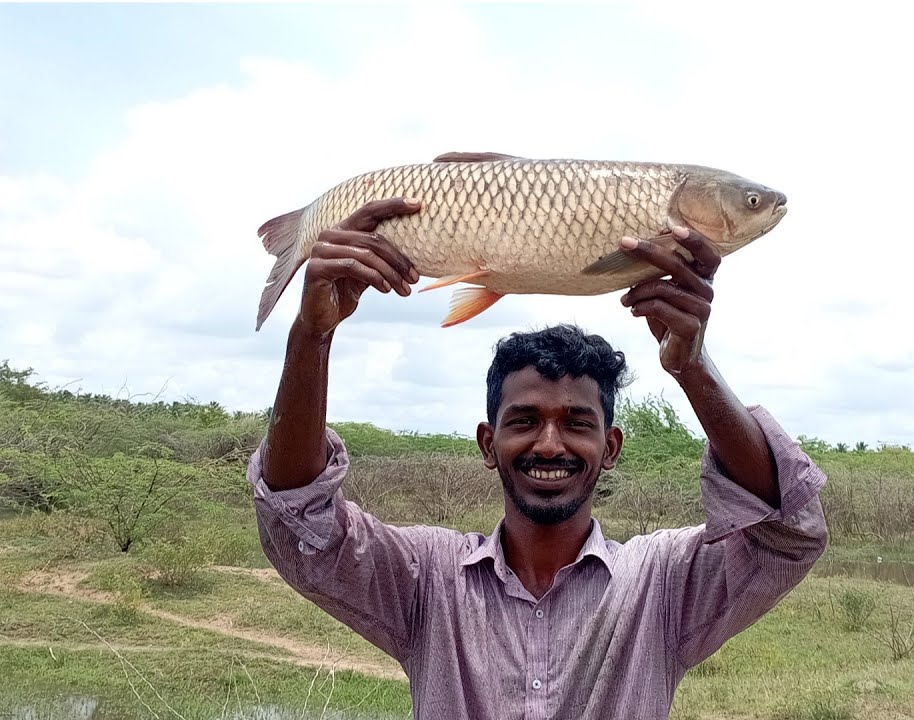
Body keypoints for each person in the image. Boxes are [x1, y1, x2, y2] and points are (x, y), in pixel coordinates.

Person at [246, 197, 829, 719]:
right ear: (486, 443)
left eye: (577, 424)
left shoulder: (660, 584)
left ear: (611, 448)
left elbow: (786, 530)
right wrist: (311, 334)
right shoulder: (427, 579)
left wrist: (692, 366)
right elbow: (300, 522)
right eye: (524, 422)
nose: (549, 444)